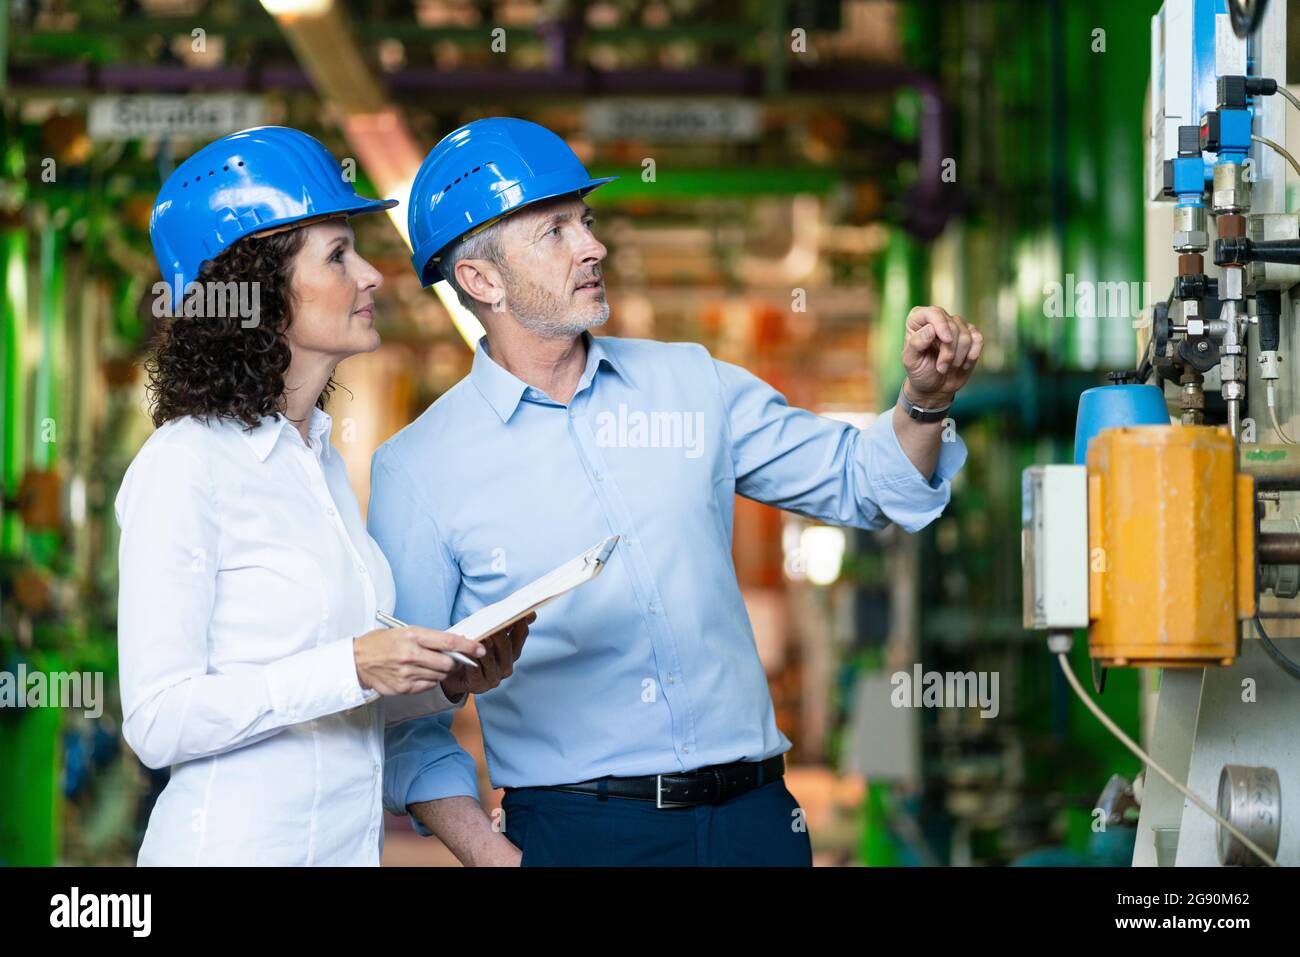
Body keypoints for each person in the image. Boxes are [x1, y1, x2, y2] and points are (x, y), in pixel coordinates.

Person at [368, 117, 983, 866]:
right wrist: (497, 860)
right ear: (481, 281)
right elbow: (406, 719)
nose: (592, 246)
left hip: (756, 823)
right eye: (555, 232)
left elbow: (869, 484)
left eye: (586, 221)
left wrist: (924, 402)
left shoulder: (692, 383)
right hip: (581, 834)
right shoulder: (419, 468)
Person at [116, 126, 528, 866]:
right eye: (338, 255)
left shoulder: (317, 462)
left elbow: (332, 706)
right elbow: (157, 719)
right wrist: (355, 665)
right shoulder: (185, 465)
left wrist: (443, 683)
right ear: (262, 291)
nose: (371, 275)